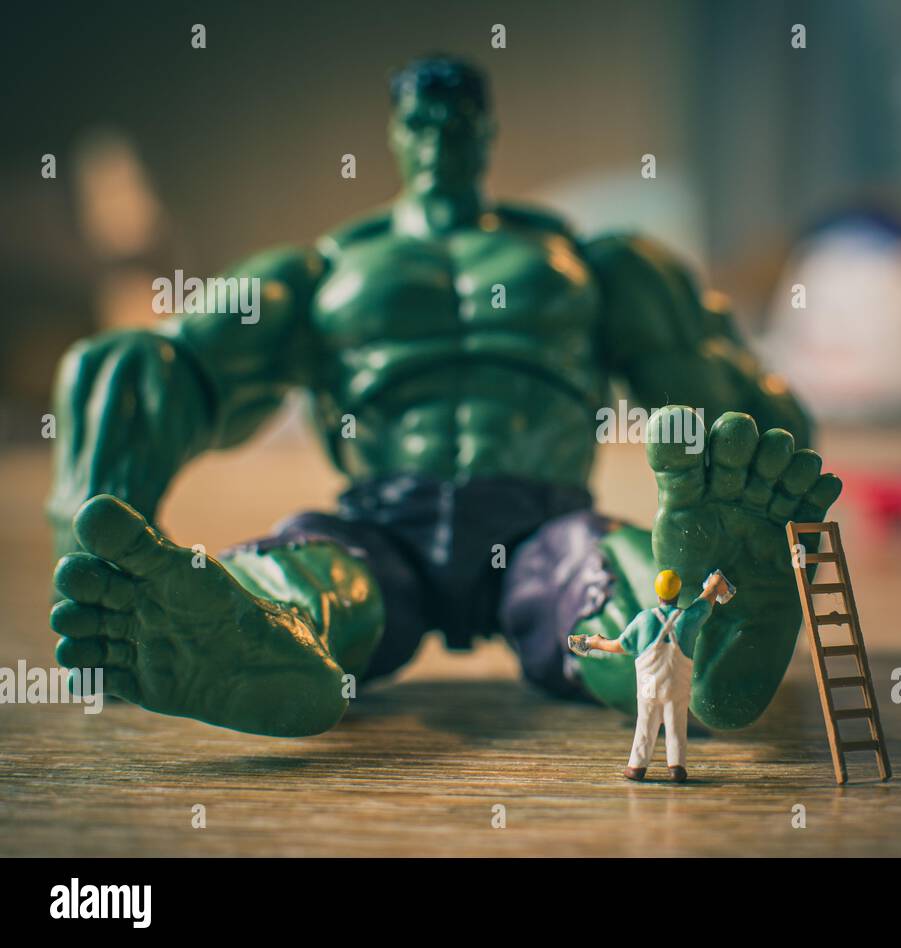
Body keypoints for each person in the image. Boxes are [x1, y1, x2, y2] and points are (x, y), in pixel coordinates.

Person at [45, 55, 840, 737]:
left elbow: (734, 406)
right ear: (394, 134)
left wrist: (750, 484)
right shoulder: (321, 275)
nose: (440, 140)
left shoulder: (587, 264)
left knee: (607, 575)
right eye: (422, 125)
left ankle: (707, 636)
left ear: (487, 132)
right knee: (317, 577)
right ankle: (245, 638)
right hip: (382, 531)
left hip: (544, 526)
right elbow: (168, 376)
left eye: (458, 123)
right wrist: (93, 537)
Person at [571, 570, 731, 782]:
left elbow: (619, 645)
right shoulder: (687, 619)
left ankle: (636, 767)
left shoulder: (644, 620)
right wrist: (713, 585)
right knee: (676, 725)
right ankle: (677, 767)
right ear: (678, 592)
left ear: (658, 593)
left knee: (645, 725)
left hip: (649, 686)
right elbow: (705, 603)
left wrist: (593, 643)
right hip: (676, 687)